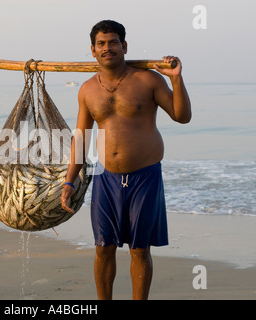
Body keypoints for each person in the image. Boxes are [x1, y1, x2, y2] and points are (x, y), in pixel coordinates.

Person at [61, 20, 191, 300]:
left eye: (113, 42)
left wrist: (175, 78)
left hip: (145, 177)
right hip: (106, 178)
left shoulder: (147, 79)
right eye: (101, 43)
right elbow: (81, 139)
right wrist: (69, 180)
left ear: (124, 46)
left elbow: (182, 116)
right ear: (93, 50)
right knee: (103, 247)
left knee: (140, 249)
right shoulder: (86, 90)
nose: (107, 47)